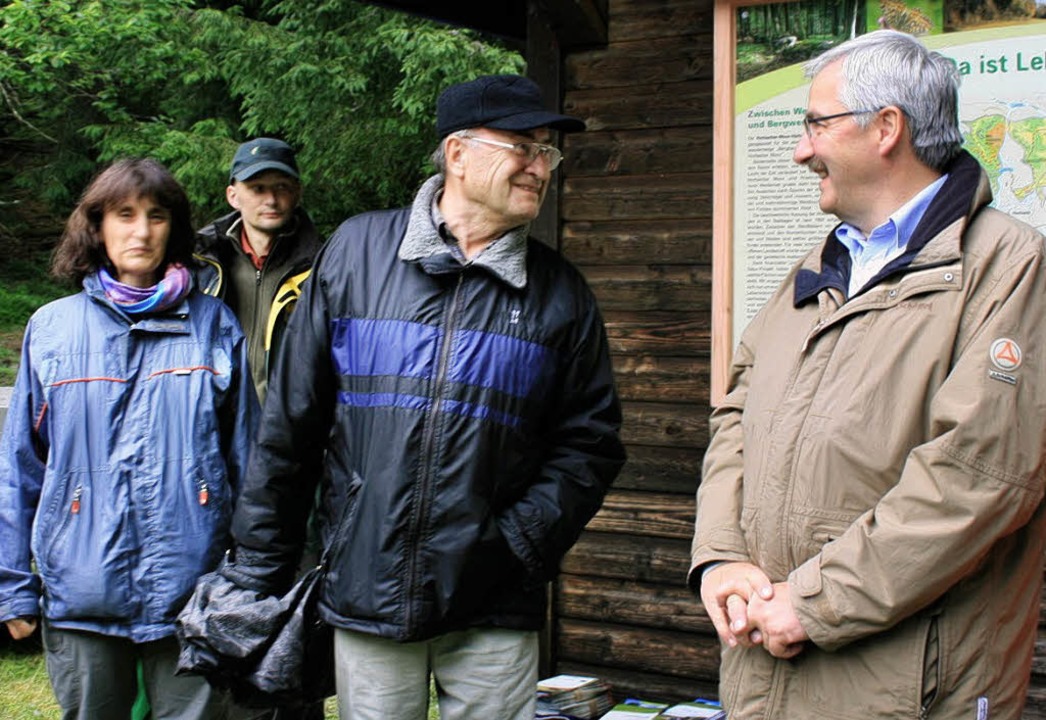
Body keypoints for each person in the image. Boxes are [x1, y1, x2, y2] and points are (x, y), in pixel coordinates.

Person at [220, 74, 626, 720]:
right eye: (523, 145)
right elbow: (291, 423)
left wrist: (514, 543)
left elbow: (590, 445)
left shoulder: (560, 293)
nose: (540, 166)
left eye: (547, 152)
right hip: (367, 586)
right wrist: (256, 569)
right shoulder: (356, 253)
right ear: (458, 155)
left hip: (493, 600)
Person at [690, 30, 1046, 719]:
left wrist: (814, 602)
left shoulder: (1011, 268)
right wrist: (723, 558)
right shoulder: (815, 269)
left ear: (887, 128)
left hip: (908, 687)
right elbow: (736, 418)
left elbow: (979, 479)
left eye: (815, 124)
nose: (801, 150)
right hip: (766, 673)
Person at [0, 158, 258, 719]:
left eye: (156, 215)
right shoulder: (53, 328)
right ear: (96, 225)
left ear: (176, 229)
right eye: (124, 214)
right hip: (81, 589)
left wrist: (251, 578)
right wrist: (13, 587)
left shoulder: (213, 324)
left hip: (192, 590)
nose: (141, 231)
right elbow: (19, 467)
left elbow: (250, 464)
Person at [195, 137, 324, 403]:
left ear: (297, 192)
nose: (271, 200)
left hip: (285, 428)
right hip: (216, 423)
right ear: (233, 196)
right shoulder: (200, 262)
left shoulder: (323, 267)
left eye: (281, 187)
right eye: (257, 188)